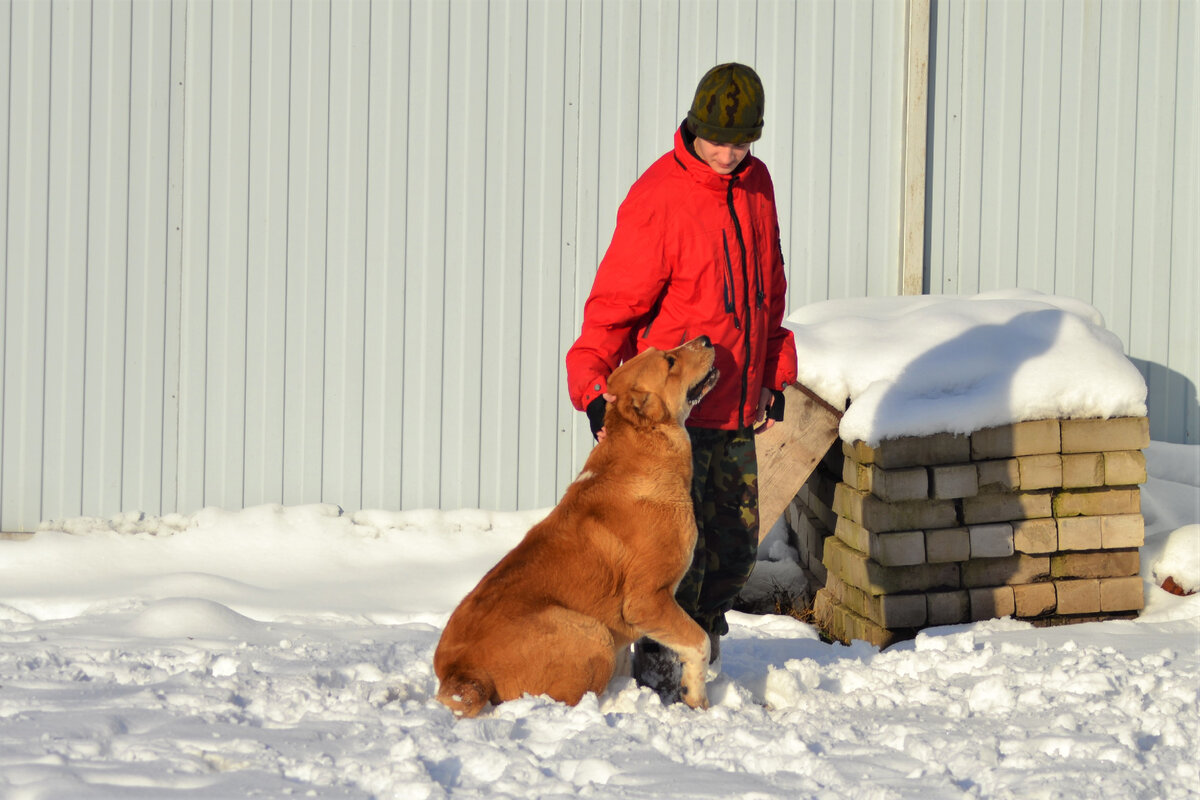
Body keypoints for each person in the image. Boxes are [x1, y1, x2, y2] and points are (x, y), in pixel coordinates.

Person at [565, 63, 798, 700]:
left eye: (740, 142)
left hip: (737, 408)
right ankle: (662, 681)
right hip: (675, 422)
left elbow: (768, 289)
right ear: (693, 127)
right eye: (715, 140)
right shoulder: (659, 198)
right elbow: (613, 306)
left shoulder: (757, 185)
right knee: (676, 564)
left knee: (734, 552)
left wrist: (775, 369)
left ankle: (703, 655)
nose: (726, 154)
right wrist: (593, 386)